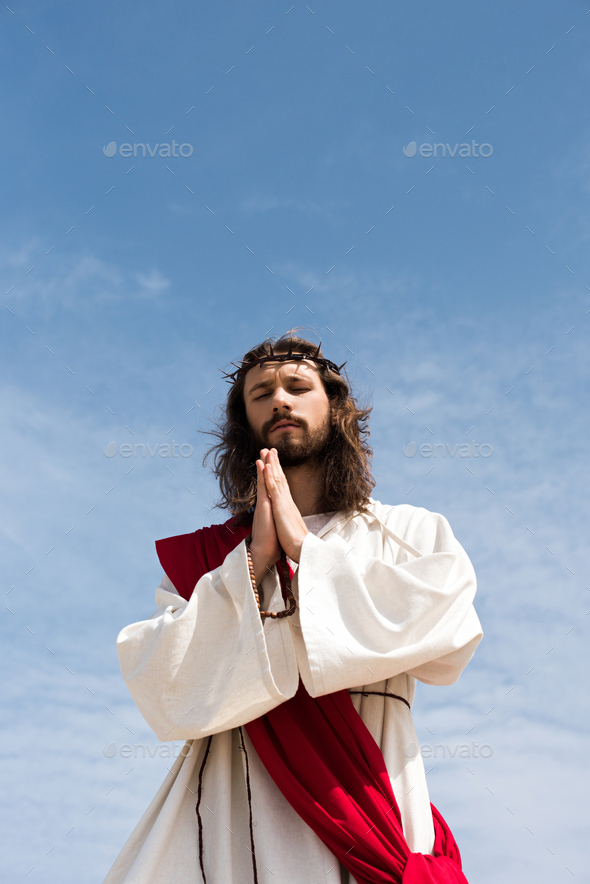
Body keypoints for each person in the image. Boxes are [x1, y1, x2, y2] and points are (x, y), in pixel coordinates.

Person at [103, 331, 483, 884]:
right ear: (244, 424)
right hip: (236, 799)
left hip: (369, 801)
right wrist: (253, 563)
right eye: (261, 393)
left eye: (297, 386)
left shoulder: (408, 530)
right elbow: (161, 683)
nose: (279, 399)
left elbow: (449, 630)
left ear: (337, 409)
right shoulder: (206, 561)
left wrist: (306, 551)